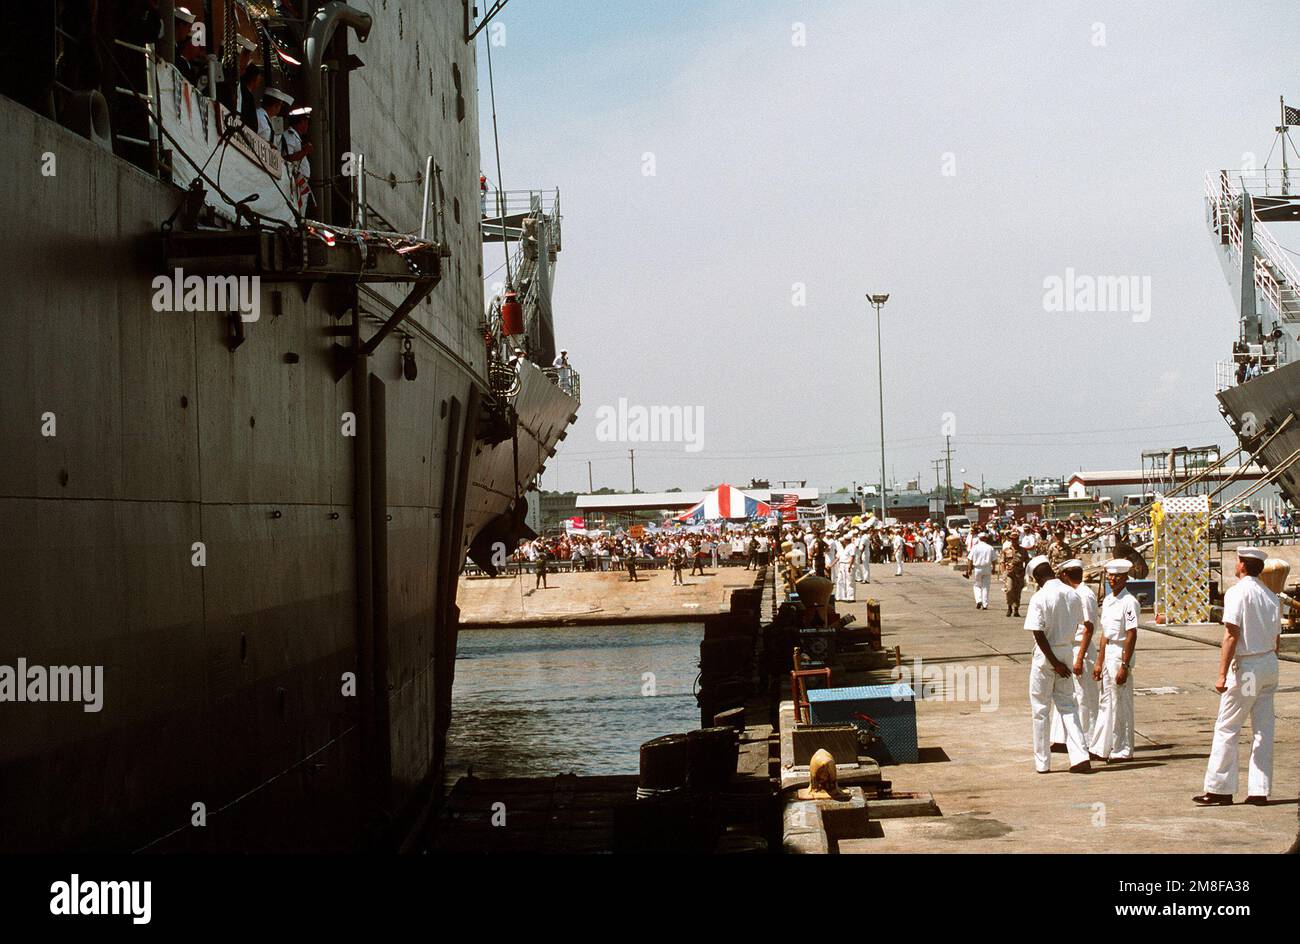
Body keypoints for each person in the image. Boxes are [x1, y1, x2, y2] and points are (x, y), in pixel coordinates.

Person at [1195, 546, 1281, 806]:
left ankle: (1220, 788)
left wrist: (1222, 674)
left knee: (1228, 726)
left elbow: (1231, 634)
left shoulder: (1237, 593)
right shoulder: (1271, 595)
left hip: (1250, 666)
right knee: (1263, 730)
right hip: (1269, 663)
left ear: (1242, 565)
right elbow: (1276, 639)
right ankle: (1259, 790)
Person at [1024, 555, 1092, 773]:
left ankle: (1042, 763)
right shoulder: (1072, 594)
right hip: (1066, 651)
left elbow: (1038, 632)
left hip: (1047, 656)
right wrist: (1061, 661)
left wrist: (1053, 662)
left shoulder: (1040, 597)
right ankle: (1080, 757)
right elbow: (1081, 623)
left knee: (1041, 710)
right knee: (1068, 706)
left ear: (1036, 578)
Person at [1090, 558, 1139, 762]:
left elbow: (1131, 635)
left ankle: (1123, 749)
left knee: (1121, 705)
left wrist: (1124, 666)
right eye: (1110, 575)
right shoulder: (1109, 601)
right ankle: (1100, 747)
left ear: (1125, 578)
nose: (1112, 579)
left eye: (1117, 576)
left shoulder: (1129, 602)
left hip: (1120, 653)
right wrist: (1099, 661)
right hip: (1108, 651)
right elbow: (1104, 634)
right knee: (1105, 701)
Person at [1050, 560, 1098, 752]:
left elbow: (1088, 628)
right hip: (1071, 648)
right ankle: (1064, 739)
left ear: (1065, 575)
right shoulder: (1073, 594)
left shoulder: (1084, 595)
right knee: (1067, 694)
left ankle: (1088, 740)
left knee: (1085, 697)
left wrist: (1080, 658)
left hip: (1082, 649)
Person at [965, 531, 996, 610]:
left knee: (977, 585)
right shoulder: (990, 547)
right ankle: (985, 604)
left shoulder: (975, 547)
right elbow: (994, 560)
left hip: (978, 568)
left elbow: (970, 559)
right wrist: (994, 568)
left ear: (979, 538)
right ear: (986, 539)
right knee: (986, 586)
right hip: (987, 568)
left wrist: (969, 569)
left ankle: (978, 600)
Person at [1000, 539, 1026, 617]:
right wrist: (1003, 572)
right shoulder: (1006, 550)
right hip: (1009, 574)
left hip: (1019, 573)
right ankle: (1009, 607)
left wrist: (1025, 571)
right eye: (1012, 540)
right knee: (1009, 590)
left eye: (1015, 540)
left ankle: (1016, 610)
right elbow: (1002, 561)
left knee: (1017, 592)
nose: (1014, 541)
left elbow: (1027, 560)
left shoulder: (1023, 550)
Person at [833, 533, 856, 603]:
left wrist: (850, 565)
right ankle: (840, 596)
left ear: (846, 540)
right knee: (840, 580)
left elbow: (852, 556)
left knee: (849, 581)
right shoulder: (845, 547)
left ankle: (850, 597)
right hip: (842, 564)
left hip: (848, 564)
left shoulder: (852, 546)